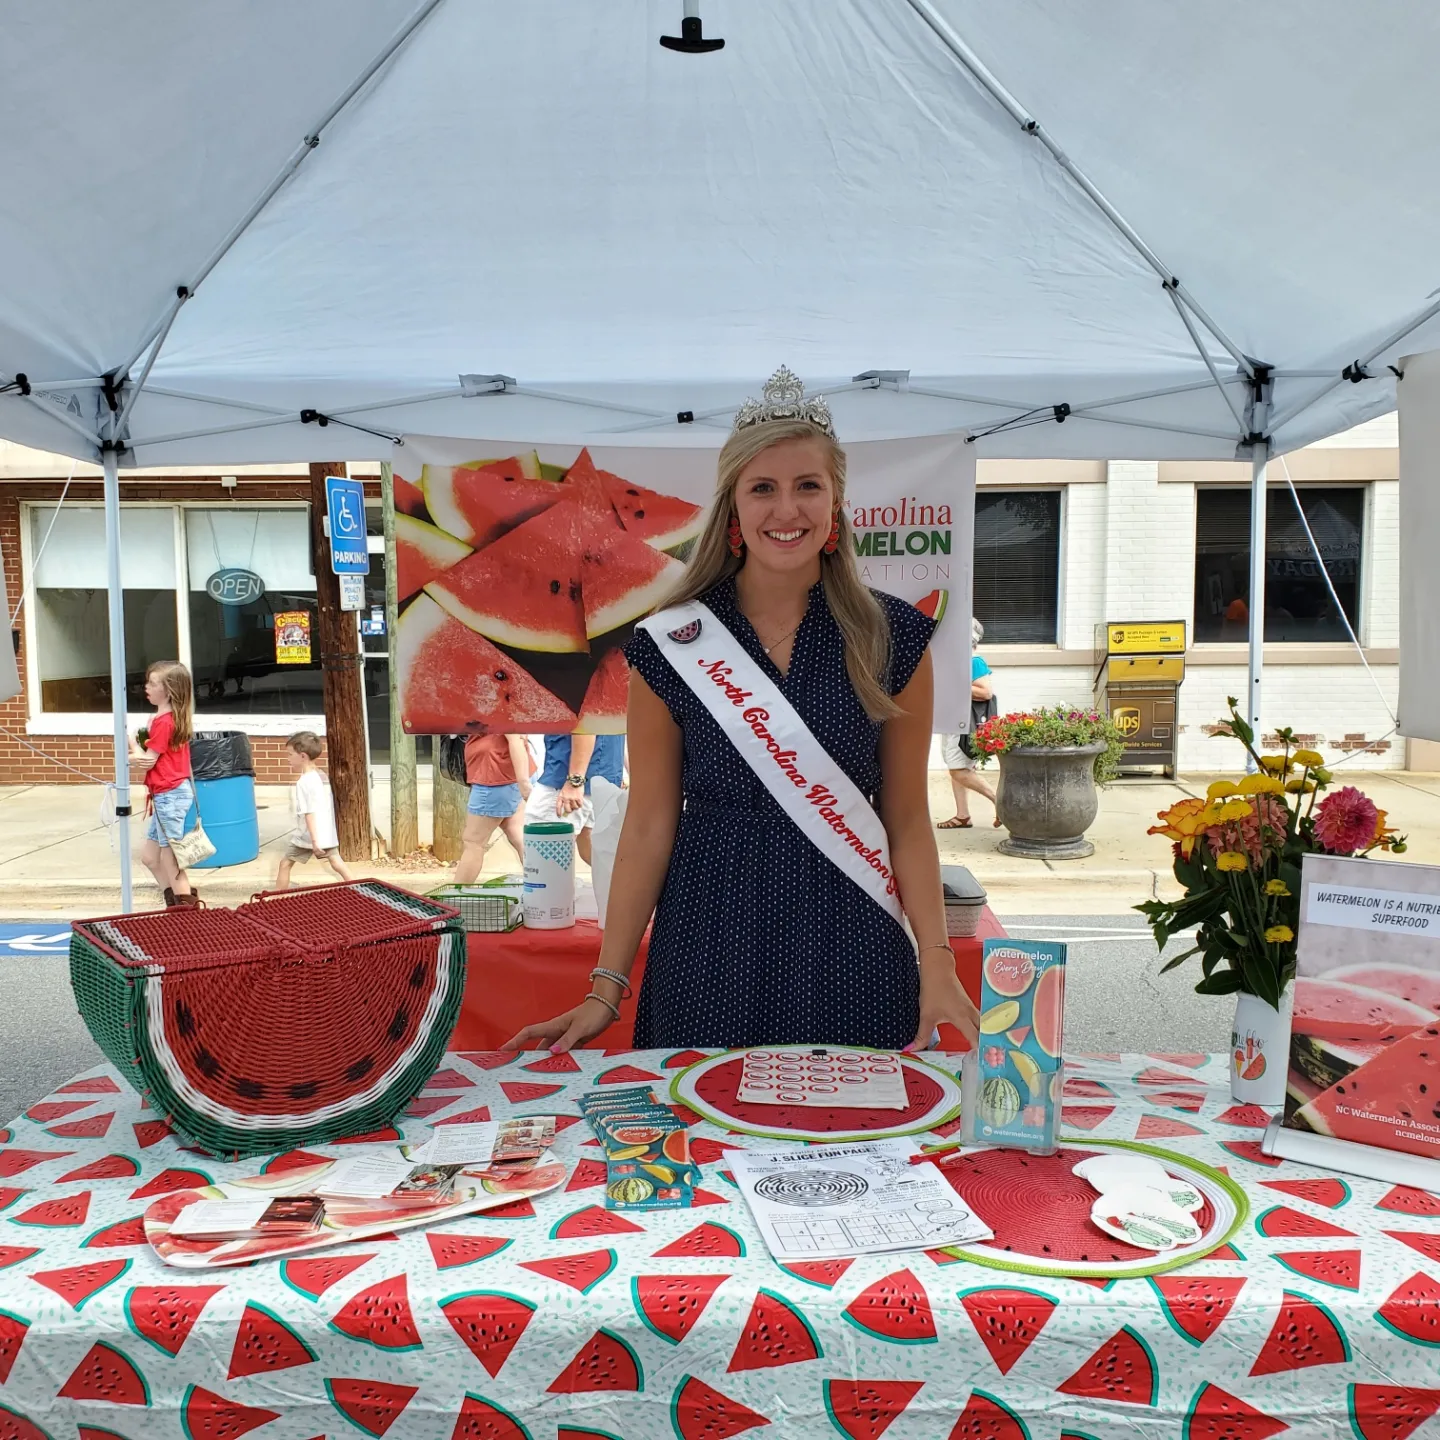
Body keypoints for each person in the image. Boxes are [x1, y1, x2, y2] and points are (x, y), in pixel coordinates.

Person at [505, 365, 979, 1055]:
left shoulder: (894, 639)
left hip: (849, 932)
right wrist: (606, 985)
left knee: (863, 1146)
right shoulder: (671, 645)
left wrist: (936, 960)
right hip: (708, 932)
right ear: (733, 507)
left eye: (807, 486)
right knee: (699, 1146)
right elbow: (648, 823)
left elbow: (907, 817)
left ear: (836, 500)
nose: (786, 510)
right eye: (763, 489)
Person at [131, 660, 200, 908]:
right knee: (151, 857)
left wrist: (131, 746)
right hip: (166, 794)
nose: (146, 687)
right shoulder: (164, 719)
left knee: (170, 857)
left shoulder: (163, 723)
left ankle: (186, 915)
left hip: (169, 795)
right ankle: (175, 905)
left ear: (168, 690)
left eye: (152, 683)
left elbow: (148, 761)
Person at [524, 730, 625, 865]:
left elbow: (586, 724)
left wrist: (575, 781)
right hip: (603, 776)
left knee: (543, 861)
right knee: (596, 856)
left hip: (566, 781)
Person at [938, 618, 1001, 829]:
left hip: (964, 722)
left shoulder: (974, 661)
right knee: (956, 768)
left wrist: (954, 684)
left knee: (959, 770)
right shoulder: (958, 660)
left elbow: (985, 692)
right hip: (953, 720)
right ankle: (962, 816)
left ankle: (1000, 802)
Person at [275, 731, 354, 889]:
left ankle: (276, 899)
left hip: (309, 835)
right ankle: (360, 890)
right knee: (337, 863)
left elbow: (309, 812)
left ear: (302, 756)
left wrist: (314, 841)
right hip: (326, 832)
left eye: (290, 755)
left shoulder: (304, 782)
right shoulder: (321, 776)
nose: (288, 759)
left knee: (285, 864)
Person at [455, 733, 533, 882]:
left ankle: (453, 899)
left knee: (473, 842)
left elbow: (514, 736)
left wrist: (524, 783)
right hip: (504, 775)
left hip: (494, 777)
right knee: (517, 833)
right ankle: (544, 885)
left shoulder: (501, 710)